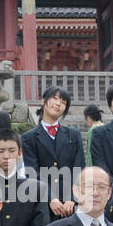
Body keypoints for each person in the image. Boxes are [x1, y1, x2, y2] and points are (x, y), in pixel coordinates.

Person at [21, 85, 83, 218]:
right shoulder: (28, 138)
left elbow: (79, 169)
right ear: (43, 101)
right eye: (55, 98)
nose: (58, 104)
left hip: (70, 205)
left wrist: (72, 198)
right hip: (43, 203)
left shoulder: (74, 135)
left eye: (63, 102)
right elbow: (32, 172)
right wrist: (50, 198)